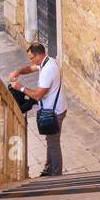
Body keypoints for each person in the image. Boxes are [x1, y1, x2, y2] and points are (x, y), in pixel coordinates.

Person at [8, 42, 67, 177]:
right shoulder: (47, 61)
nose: (31, 60)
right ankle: (48, 169)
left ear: (39, 55)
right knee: (50, 141)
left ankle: (56, 175)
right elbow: (30, 68)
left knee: (54, 144)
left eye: (32, 58)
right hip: (53, 109)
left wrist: (20, 88)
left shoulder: (48, 70)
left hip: (55, 112)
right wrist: (18, 71)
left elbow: (38, 96)